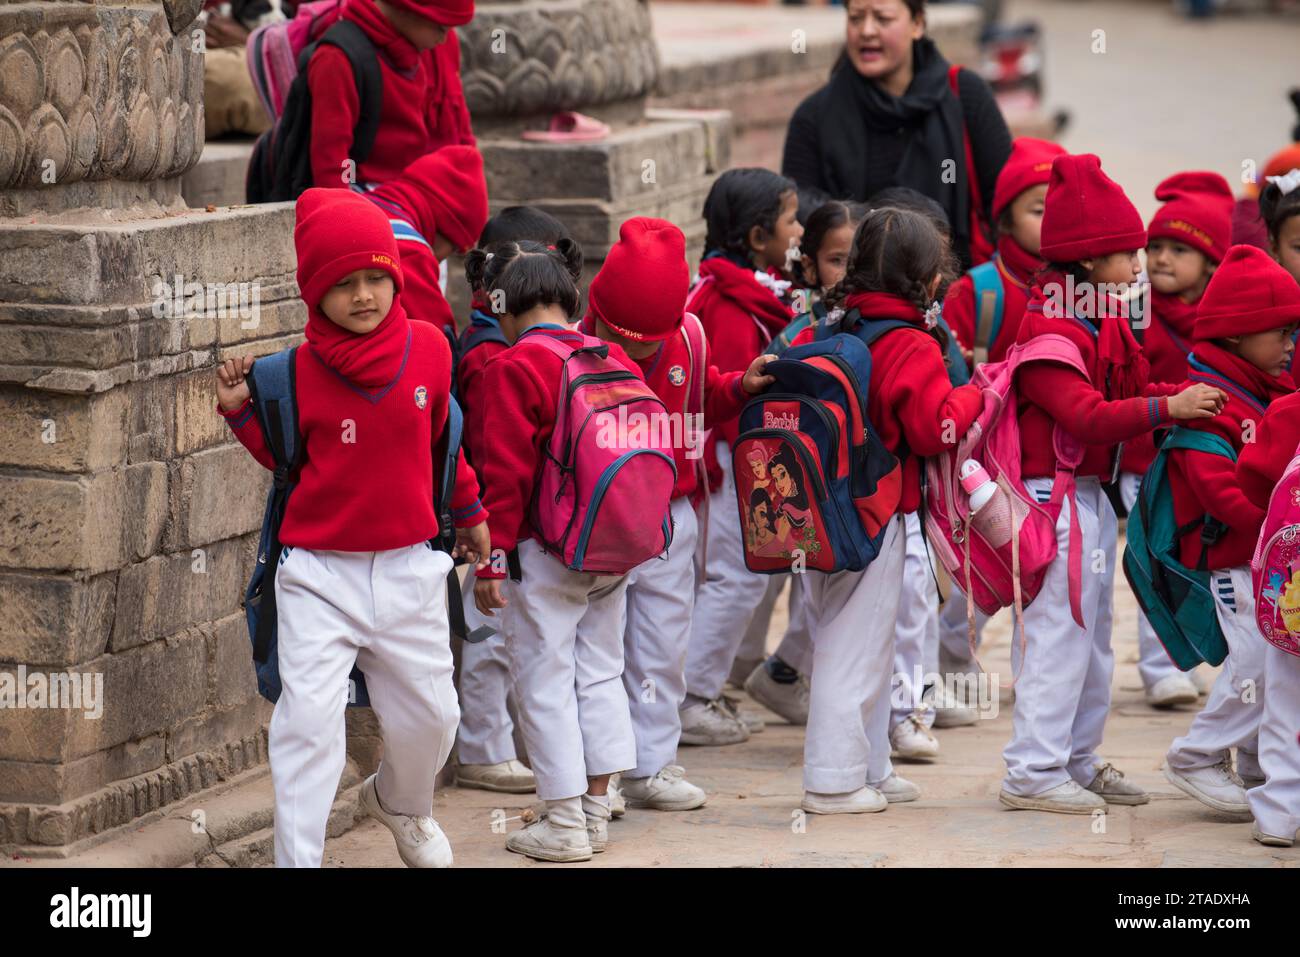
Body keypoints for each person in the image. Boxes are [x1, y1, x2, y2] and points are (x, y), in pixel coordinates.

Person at [215, 188, 490, 867]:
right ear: (314, 290)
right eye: (343, 283)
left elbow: (444, 445)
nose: (363, 295)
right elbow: (284, 458)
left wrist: (474, 515)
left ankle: (400, 803)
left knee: (435, 717)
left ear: (397, 275)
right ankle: (297, 859)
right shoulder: (288, 374)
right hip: (316, 573)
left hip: (410, 568)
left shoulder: (430, 349)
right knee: (308, 725)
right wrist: (238, 412)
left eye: (376, 276)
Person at [998, 154, 1228, 814]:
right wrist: (1167, 408)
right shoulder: (1050, 326)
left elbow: (1122, 392)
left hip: (1088, 500)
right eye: (1127, 254)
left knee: (1092, 642)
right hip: (1051, 502)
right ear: (1088, 261)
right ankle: (1032, 770)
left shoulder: (1101, 320)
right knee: (1054, 638)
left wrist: (1176, 394)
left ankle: (1075, 757)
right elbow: (1087, 415)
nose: (1138, 267)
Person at [786, 206, 982, 812]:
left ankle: (869, 765)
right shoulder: (912, 345)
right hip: (877, 515)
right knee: (855, 647)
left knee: (856, 641)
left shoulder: (829, 329)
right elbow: (934, 431)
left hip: (823, 512)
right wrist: (976, 391)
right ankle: (832, 781)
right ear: (927, 282)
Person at [580, 216, 774, 810]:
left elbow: (702, 399)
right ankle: (600, 776)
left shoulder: (689, 336)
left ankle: (653, 764)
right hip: (602, 521)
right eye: (623, 336)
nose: (636, 350)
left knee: (663, 650)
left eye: (647, 340)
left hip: (671, 514)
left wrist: (740, 386)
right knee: (598, 654)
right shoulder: (574, 346)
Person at [469, 240, 639, 862]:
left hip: (549, 549)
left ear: (506, 312)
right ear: (572, 303)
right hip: (616, 543)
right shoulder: (613, 356)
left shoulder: (514, 366)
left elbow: (505, 476)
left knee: (543, 678)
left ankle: (564, 821)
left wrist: (491, 559)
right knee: (601, 672)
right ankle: (595, 805)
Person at [1162, 245, 1298, 818]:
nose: (1292, 344)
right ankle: (1194, 755)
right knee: (1257, 667)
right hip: (1235, 562)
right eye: (1281, 332)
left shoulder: (1268, 391)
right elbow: (1220, 491)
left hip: (1262, 562)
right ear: (1239, 335)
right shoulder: (1211, 401)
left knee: (1268, 661)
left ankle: (1256, 764)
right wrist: (1280, 532)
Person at [451, 206, 573, 797]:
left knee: (509, 638)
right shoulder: (489, 355)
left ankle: (512, 744)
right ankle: (483, 747)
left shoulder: (517, 345)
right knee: (487, 639)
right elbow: (489, 449)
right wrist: (487, 539)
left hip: (512, 517)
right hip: (487, 517)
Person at [680, 168, 802, 746]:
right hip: (729, 462)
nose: (798, 229)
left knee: (741, 577)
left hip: (746, 460)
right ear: (758, 237)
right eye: (789, 220)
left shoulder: (756, 289)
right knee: (733, 578)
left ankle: (707, 686)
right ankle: (689, 699)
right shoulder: (727, 304)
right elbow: (726, 396)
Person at [744, 200, 867, 726]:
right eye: (838, 260)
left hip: (858, 485)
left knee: (839, 595)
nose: (850, 274)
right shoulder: (796, 337)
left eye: (861, 259)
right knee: (814, 590)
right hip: (804, 488)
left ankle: (789, 674)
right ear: (811, 267)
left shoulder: (880, 326)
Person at [1116, 170, 1234, 707]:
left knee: (1202, 560)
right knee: (1157, 554)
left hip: (1208, 463)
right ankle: (1159, 666)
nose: (1161, 258)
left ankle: (1198, 654)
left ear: (1211, 262)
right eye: (1154, 245)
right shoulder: (1132, 312)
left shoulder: (1227, 319)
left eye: (1178, 249)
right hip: (1150, 465)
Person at [781, 0, 1011, 268]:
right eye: (855, 18)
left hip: (957, 294)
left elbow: (1004, 199)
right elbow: (799, 214)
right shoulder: (815, 116)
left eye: (883, 18)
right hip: (854, 297)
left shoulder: (964, 95)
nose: (866, 30)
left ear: (917, 23)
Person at [307, 0, 475, 190]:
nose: (443, 40)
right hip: (363, 191)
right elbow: (331, 159)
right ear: (408, 10)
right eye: (441, 28)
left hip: (408, 182)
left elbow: (459, 125)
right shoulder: (337, 58)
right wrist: (343, 210)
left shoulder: (417, 46)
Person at [1237, 388, 1300, 847]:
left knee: (1285, 697)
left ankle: (1280, 811)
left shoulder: (1287, 411)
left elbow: (1254, 479)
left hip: (1293, 594)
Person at [364, 145, 489, 347]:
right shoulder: (409, 250)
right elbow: (437, 343)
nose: (444, 259)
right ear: (445, 226)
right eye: (457, 248)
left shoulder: (365, 202)